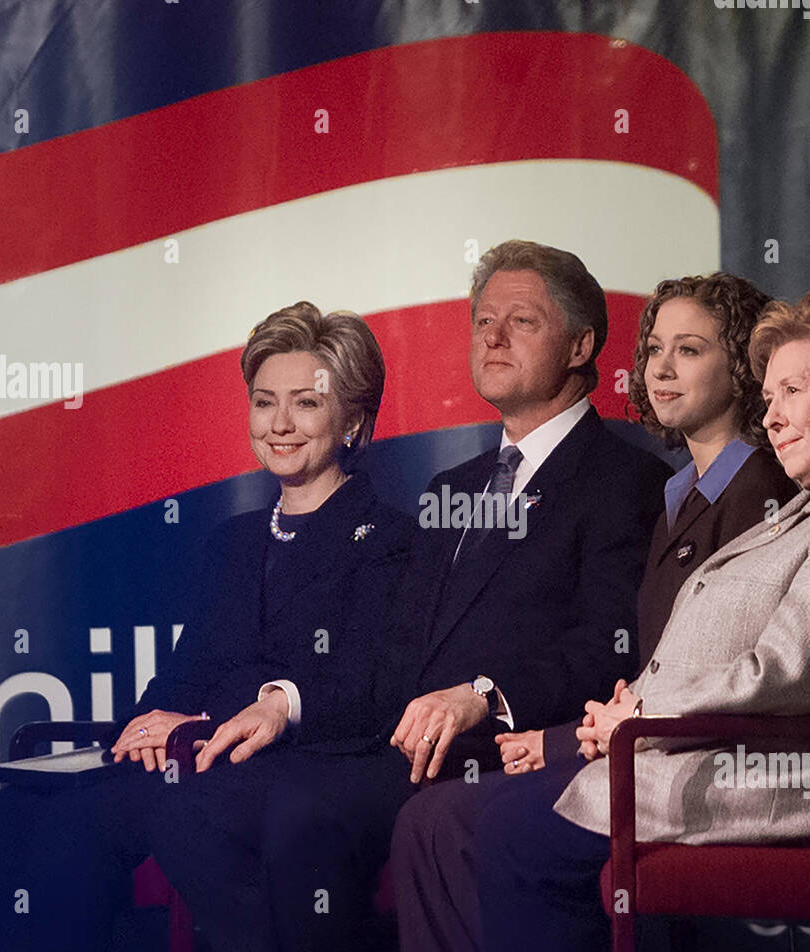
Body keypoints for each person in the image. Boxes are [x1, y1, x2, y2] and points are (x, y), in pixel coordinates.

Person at [470, 288, 810, 952]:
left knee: (511, 840)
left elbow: (790, 672)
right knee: (499, 827)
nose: (771, 416)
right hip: (744, 757)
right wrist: (630, 711)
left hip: (807, 780)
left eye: (794, 391)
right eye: (768, 395)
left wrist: (642, 715)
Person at [0, 301, 417, 952]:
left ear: (355, 423)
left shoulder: (390, 541)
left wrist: (201, 718)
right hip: (191, 762)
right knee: (9, 820)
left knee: (177, 810)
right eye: (264, 402)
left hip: (287, 769)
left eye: (306, 404)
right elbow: (182, 678)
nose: (279, 423)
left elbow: (357, 685)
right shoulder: (231, 544)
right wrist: (151, 720)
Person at [390, 272, 796, 952]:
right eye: (656, 351)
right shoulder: (685, 493)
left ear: (743, 366)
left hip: (691, 761)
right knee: (429, 818)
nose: (663, 369)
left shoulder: (745, 491)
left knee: (477, 823)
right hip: (621, 741)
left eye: (691, 350)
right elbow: (662, 659)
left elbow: (740, 671)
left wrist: (552, 731)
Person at [266, 240, 671, 790]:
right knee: (248, 798)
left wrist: (485, 694)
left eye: (521, 320)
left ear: (580, 345)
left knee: (294, 825)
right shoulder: (450, 487)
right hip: (396, 758)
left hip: (512, 765)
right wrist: (286, 704)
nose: (492, 337)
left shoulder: (628, 483)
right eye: (483, 320)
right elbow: (395, 657)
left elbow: (609, 648)